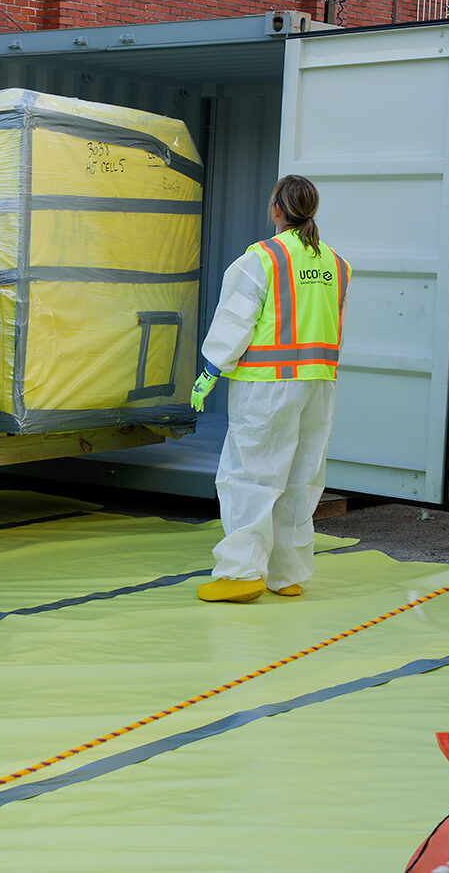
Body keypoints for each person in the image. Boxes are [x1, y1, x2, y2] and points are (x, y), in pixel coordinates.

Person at [189, 174, 350, 603]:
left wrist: (209, 371)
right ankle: (287, 574)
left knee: (251, 477)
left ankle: (241, 574)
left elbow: (233, 323)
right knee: (301, 479)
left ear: (277, 209)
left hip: (269, 387)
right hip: (318, 387)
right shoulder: (337, 264)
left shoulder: (261, 260)